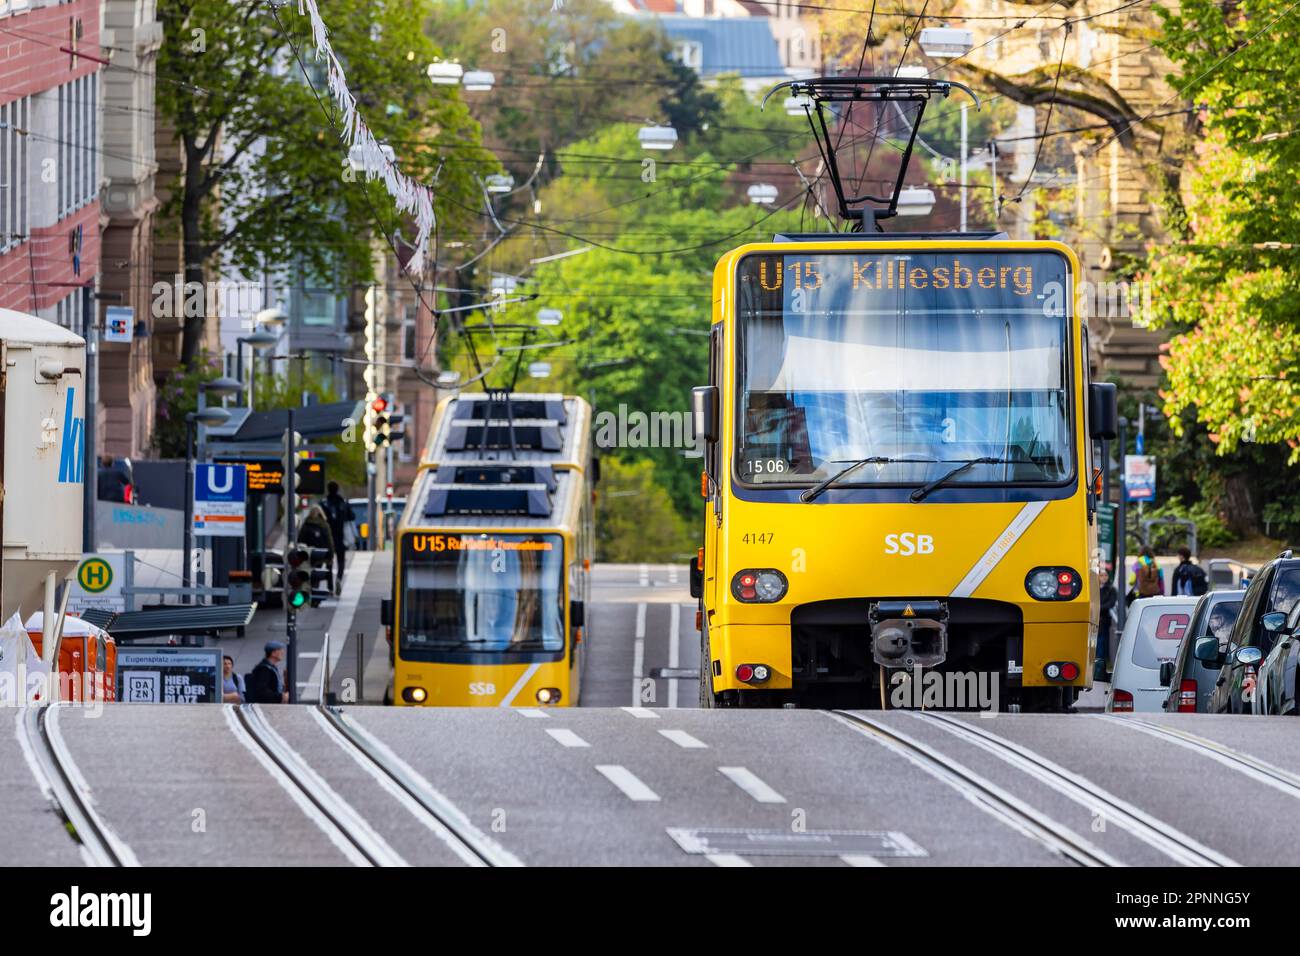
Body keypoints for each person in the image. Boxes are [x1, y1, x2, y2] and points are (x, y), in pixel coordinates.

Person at [321, 481, 355, 594]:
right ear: (337, 489)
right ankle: (339, 579)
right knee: (341, 561)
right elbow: (352, 516)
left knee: (328, 562)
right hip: (341, 537)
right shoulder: (343, 503)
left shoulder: (324, 504)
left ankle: (330, 587)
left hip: (328, 538)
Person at [1097, 566, 1118, 675]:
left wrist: (1098, 607)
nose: (1104, 577)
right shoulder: (1093, 588)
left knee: (1102, 641)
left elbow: (1111, 603)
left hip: (1104, 618)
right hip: (1095, 618)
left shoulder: (1111, 589)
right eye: (1101, 575)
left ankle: (1100, 662)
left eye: (1105, 575)